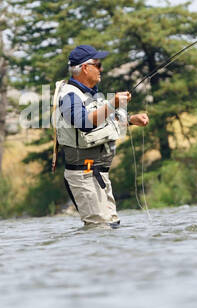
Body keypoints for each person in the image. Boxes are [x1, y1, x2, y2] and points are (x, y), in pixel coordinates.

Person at [52, 44, 149, 228]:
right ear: (85, 68)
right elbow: (84, 122)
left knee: (112, 227)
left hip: (98, 175)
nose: (101, 69)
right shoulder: (69, 96)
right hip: (84, 176)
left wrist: (131, 119)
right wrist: (113, 104)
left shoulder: (91, 94)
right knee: (99, 230)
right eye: (98, 65)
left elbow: (104, 119)